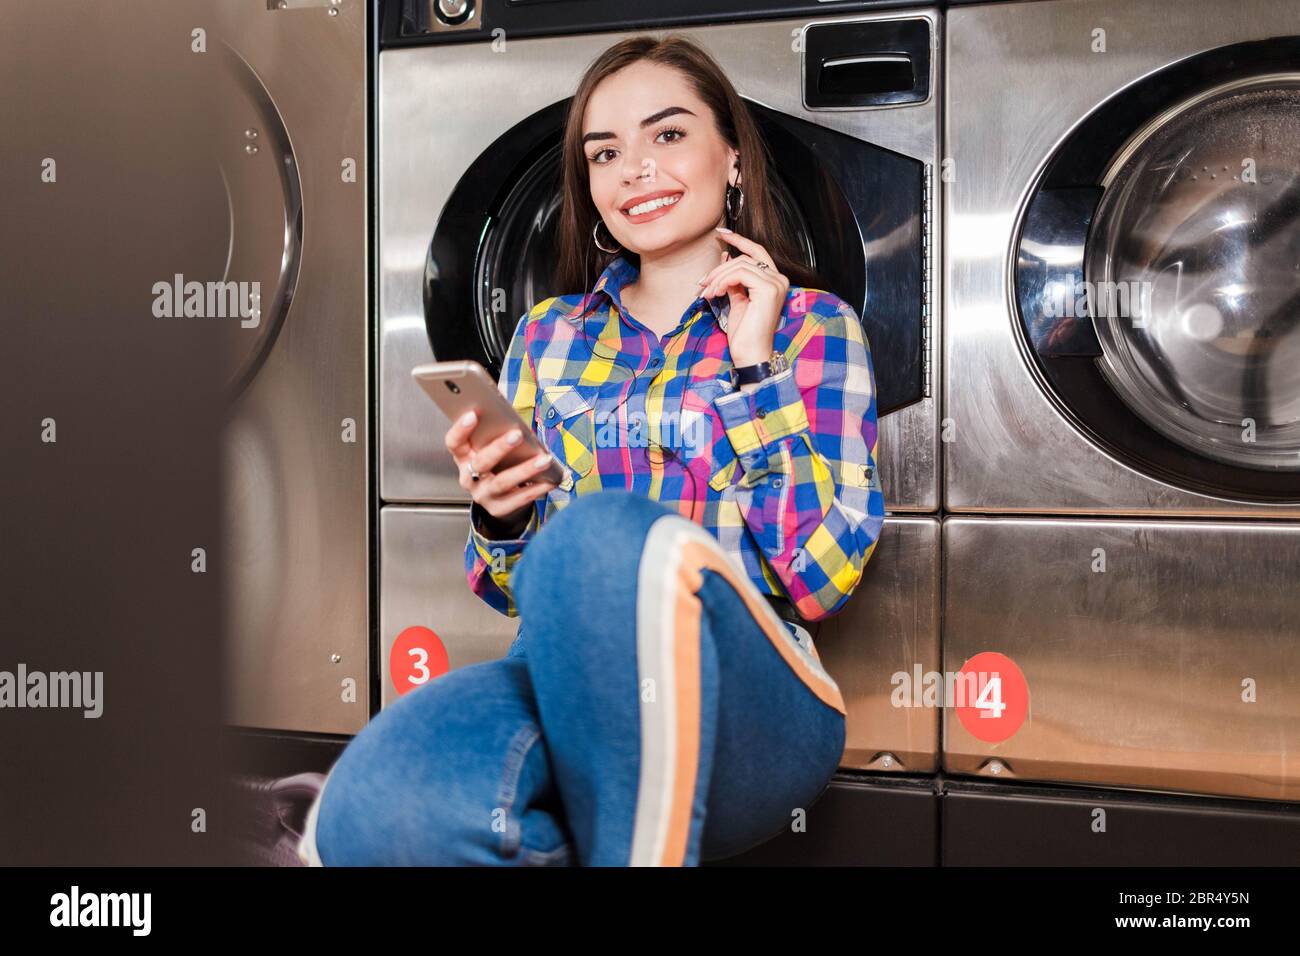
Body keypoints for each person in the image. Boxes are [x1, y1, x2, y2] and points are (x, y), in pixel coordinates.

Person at [298, 32, 886, 867]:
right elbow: (513, 590)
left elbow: (820, 581)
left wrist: (756, 369)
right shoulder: (547, 337)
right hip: (561, 683)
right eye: (604, 152)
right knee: (369, 814)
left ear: (735, 161)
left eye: (669, 134)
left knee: (608, 537)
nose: (634, 168)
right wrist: (500, 517)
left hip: (754, 701)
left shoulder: (811, 330)